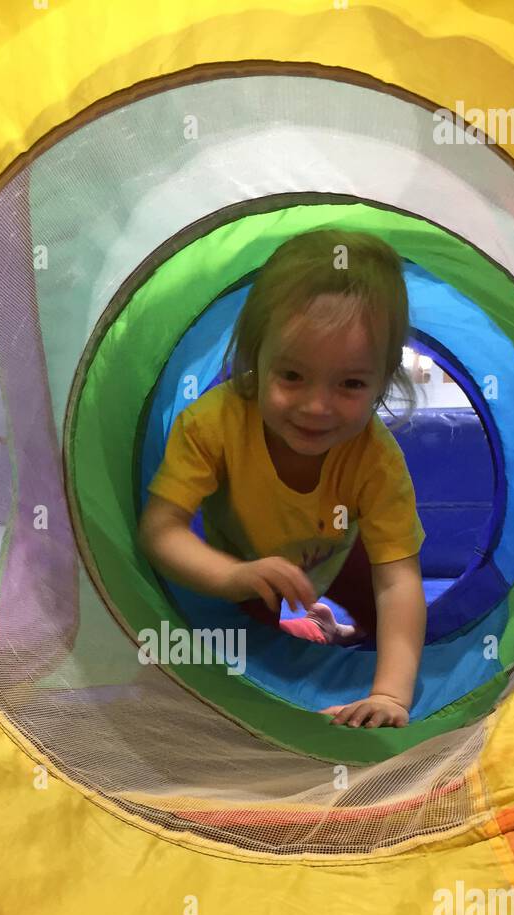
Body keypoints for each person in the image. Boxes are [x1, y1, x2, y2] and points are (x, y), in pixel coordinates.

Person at [138, 229, 427, 729]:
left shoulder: (375, 460)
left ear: (383, 379)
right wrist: (232, 577)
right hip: (249, 564)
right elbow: (161, 529)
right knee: (246, 649)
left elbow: (398, 578)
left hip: (342, 552)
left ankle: (330, 625)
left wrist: (389, 696)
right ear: (255, 358)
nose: (317, 407)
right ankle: (309, 624)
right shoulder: (213, 424)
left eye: (352, 384)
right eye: (292, 376)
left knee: (392, 627)